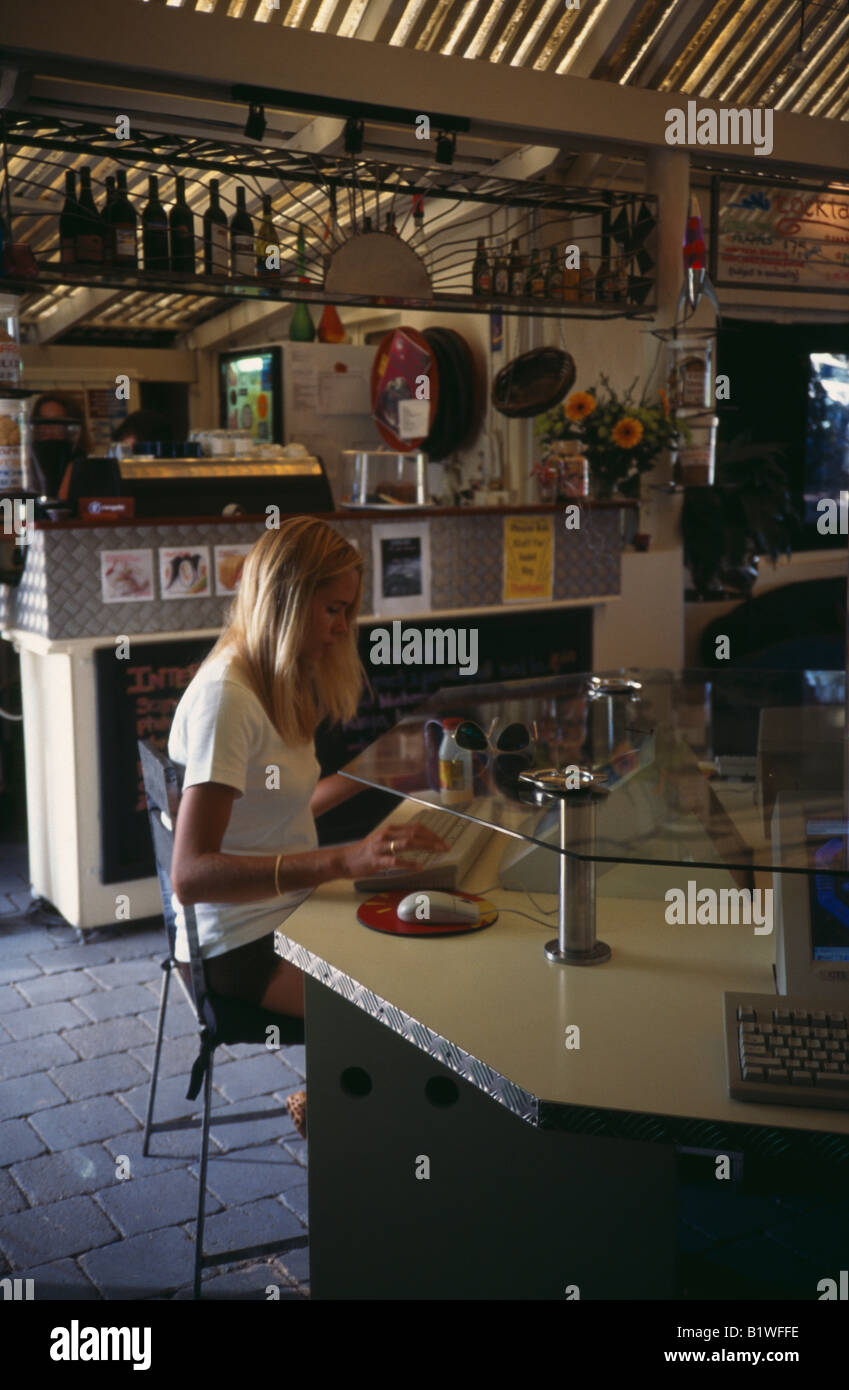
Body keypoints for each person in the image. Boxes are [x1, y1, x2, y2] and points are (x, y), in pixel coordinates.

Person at [168, 516, 448, 1137]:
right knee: (424, 1011)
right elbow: (190, 875)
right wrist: (344, 860)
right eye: (333, 609)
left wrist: (381, 771)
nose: (343, 627)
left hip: (287, 914)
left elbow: (279, 813)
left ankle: (343, 1098)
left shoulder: (269, 678)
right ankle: (352, 1122)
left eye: (349, 610)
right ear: (287, 597)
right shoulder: (229, 696)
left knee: (436, 949)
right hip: (239, 949)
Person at [29, 392, 91, 498]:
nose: (48, 429)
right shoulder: (29, 459)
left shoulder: (80, 462)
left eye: (57, 422)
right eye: (43, 421)